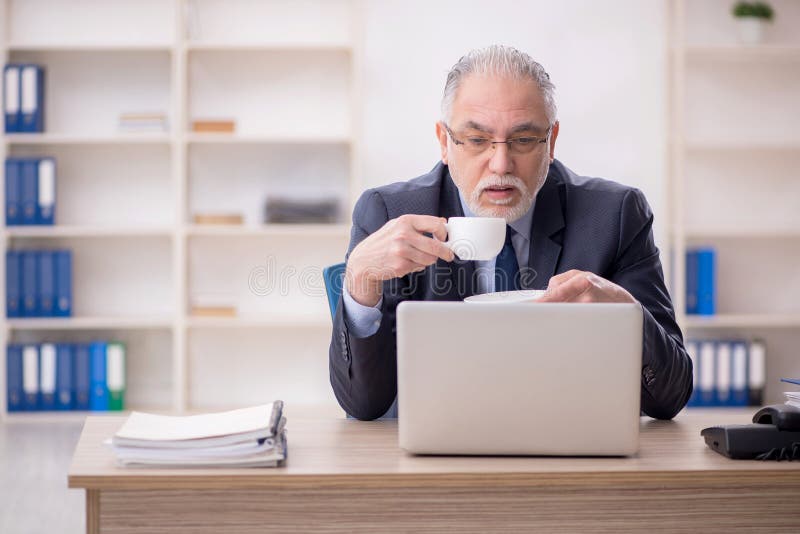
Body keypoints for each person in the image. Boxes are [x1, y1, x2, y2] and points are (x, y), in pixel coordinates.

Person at [329, 45, 692, 421]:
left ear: (550, 142)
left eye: (522, 140)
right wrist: (359, 281)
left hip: (567, 445)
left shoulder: (614, 217)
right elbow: (364, 405)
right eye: (476, 140)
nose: (501, 164)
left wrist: (628, 317)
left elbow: (670, 397)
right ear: (444, 142)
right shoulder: (388, 214)